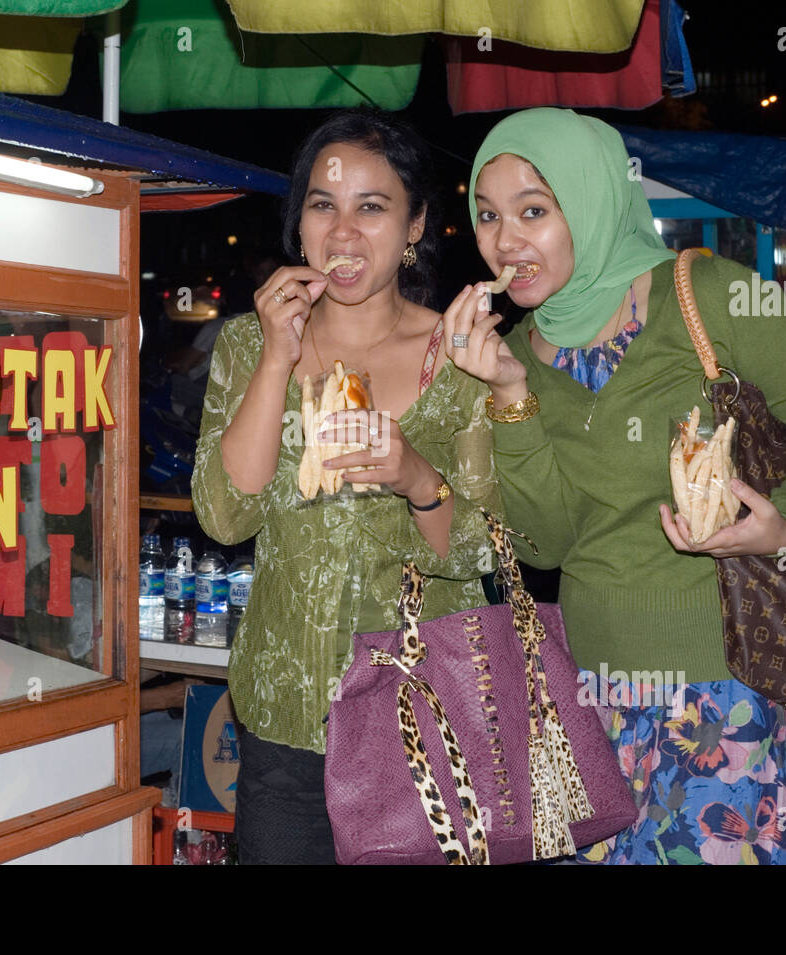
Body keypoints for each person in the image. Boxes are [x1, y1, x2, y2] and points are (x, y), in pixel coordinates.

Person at [445, 108, 786, 865]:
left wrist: (785, 524)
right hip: (583, 700)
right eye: (486, 216)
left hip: (724, 688)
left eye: (534, 210)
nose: (505, 241)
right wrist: (508, 394)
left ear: (594, 198)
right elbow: (548, 541)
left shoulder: (716, 295)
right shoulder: (511, 356)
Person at [191, 109, 502, 865]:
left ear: (416, 225)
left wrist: (415, 475)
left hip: (421, 728)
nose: (343, 231)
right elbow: (225, 515)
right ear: (299, 224)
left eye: (373, 206)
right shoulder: (246, 341)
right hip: (283, 720)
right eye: (323, 205)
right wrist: (276, 358)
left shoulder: (461, 356)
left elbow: (481, 548)